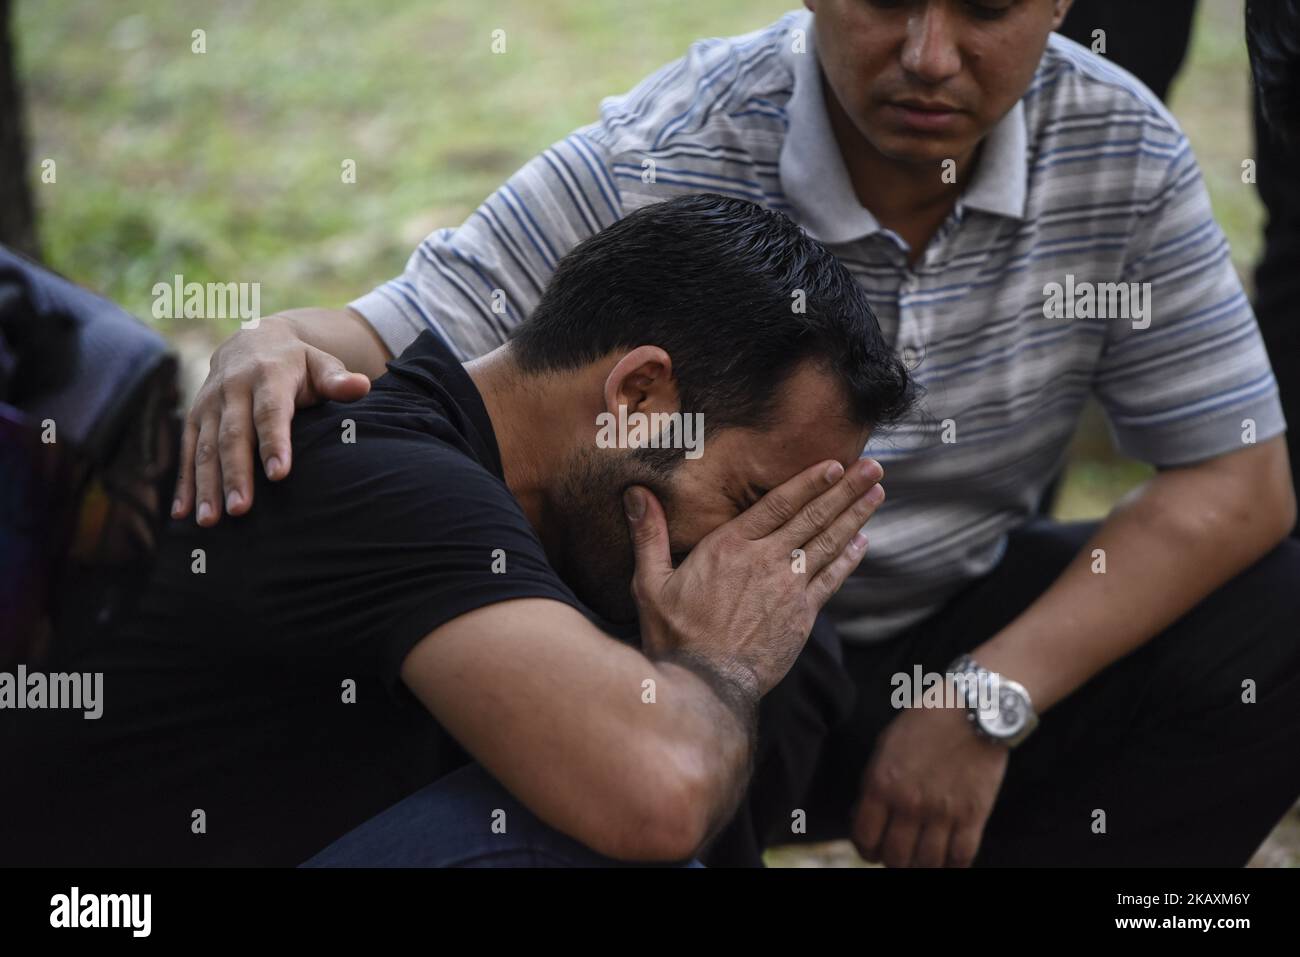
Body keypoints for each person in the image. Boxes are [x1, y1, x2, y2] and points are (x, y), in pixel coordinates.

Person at [175, 1, 1300, 867]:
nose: (925, 53)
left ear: (1058, 4)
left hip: (947, 618)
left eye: (983, 11)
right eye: (887, 2)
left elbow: (1241, 480)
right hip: (676, 633)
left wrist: (986, 697)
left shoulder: (1124, 153)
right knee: (645, 743)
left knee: (1275, 618)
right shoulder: (661, 149)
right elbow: (393, 335)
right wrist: (270, 340)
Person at [0, 195, 911, 866]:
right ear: (640, 399)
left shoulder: (542, 500)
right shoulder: (384, 479)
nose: (753, 553)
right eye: (752, 497)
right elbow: (657, 799)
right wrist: (726, 664)